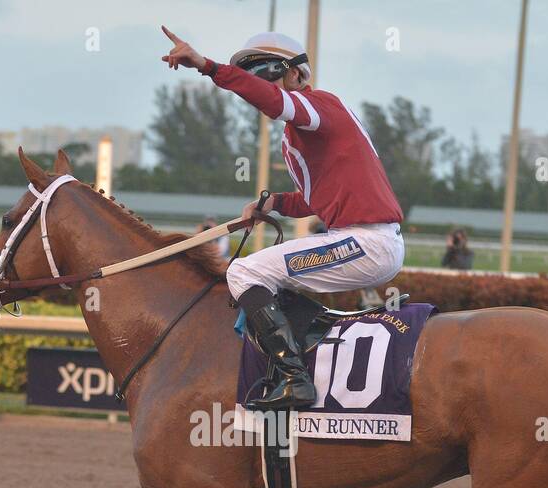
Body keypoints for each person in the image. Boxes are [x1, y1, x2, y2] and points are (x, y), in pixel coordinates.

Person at [161, 26, 405, 410]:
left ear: (298, 74)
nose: (261, 81)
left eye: (269, 70)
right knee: (266, 276)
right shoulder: (296, 136)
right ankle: (302, 364)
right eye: (253, 73)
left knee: (243, 272)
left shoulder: (321, 106)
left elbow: (274, 101)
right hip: (359, 240)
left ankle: (295, 380)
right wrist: (272, 203)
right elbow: (315, 200)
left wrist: (207, 66)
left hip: (367, 243)